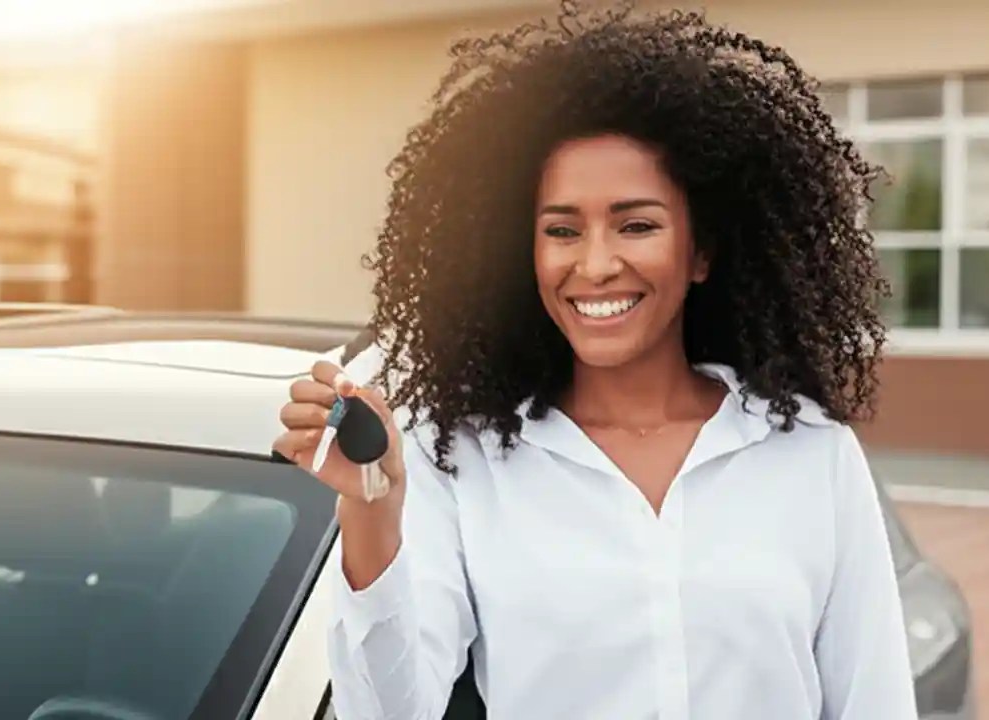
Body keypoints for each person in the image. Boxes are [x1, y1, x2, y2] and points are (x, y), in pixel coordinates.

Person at [273, 2, 917, 718]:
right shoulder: (464, 459)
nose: (597, 264)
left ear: (700, 251)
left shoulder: (812, 455)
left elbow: (875, 702)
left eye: (636, 224)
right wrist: (372, 513)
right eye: (562, 230)